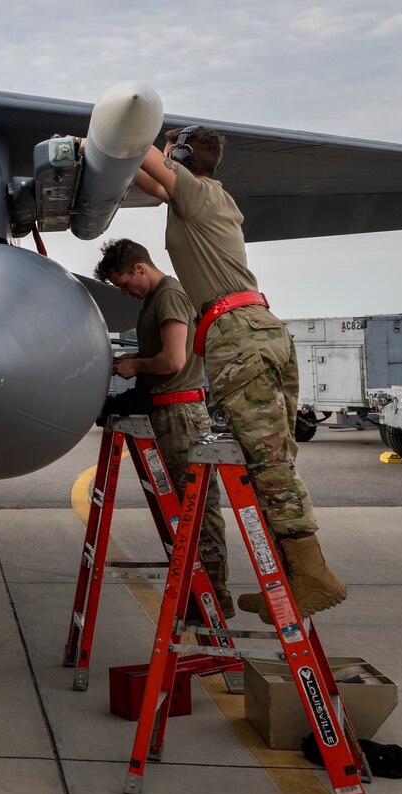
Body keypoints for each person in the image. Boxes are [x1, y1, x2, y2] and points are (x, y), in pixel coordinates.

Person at [130, 125, 346, 622]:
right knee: (268, 456)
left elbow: (148, 160)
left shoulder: (197, 194)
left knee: (268, 462)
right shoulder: (203, 198)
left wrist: (99, 138)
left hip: (237, 334)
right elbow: (149, 179)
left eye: (170, 154)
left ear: (180, 157)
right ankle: (295, 577)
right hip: (255, 327)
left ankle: (314, 575)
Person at [95, 238, 233, 618]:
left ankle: (212, 604)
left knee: (197, 512)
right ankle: (198, 598)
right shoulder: (156, 300)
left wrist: (136, 367)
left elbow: (173, 359)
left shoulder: (169, 296)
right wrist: (135, 358)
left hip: (180, 417)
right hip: (169, 413)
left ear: (140, 268)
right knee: (186, 512)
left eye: (125, 283)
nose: (125, 292)